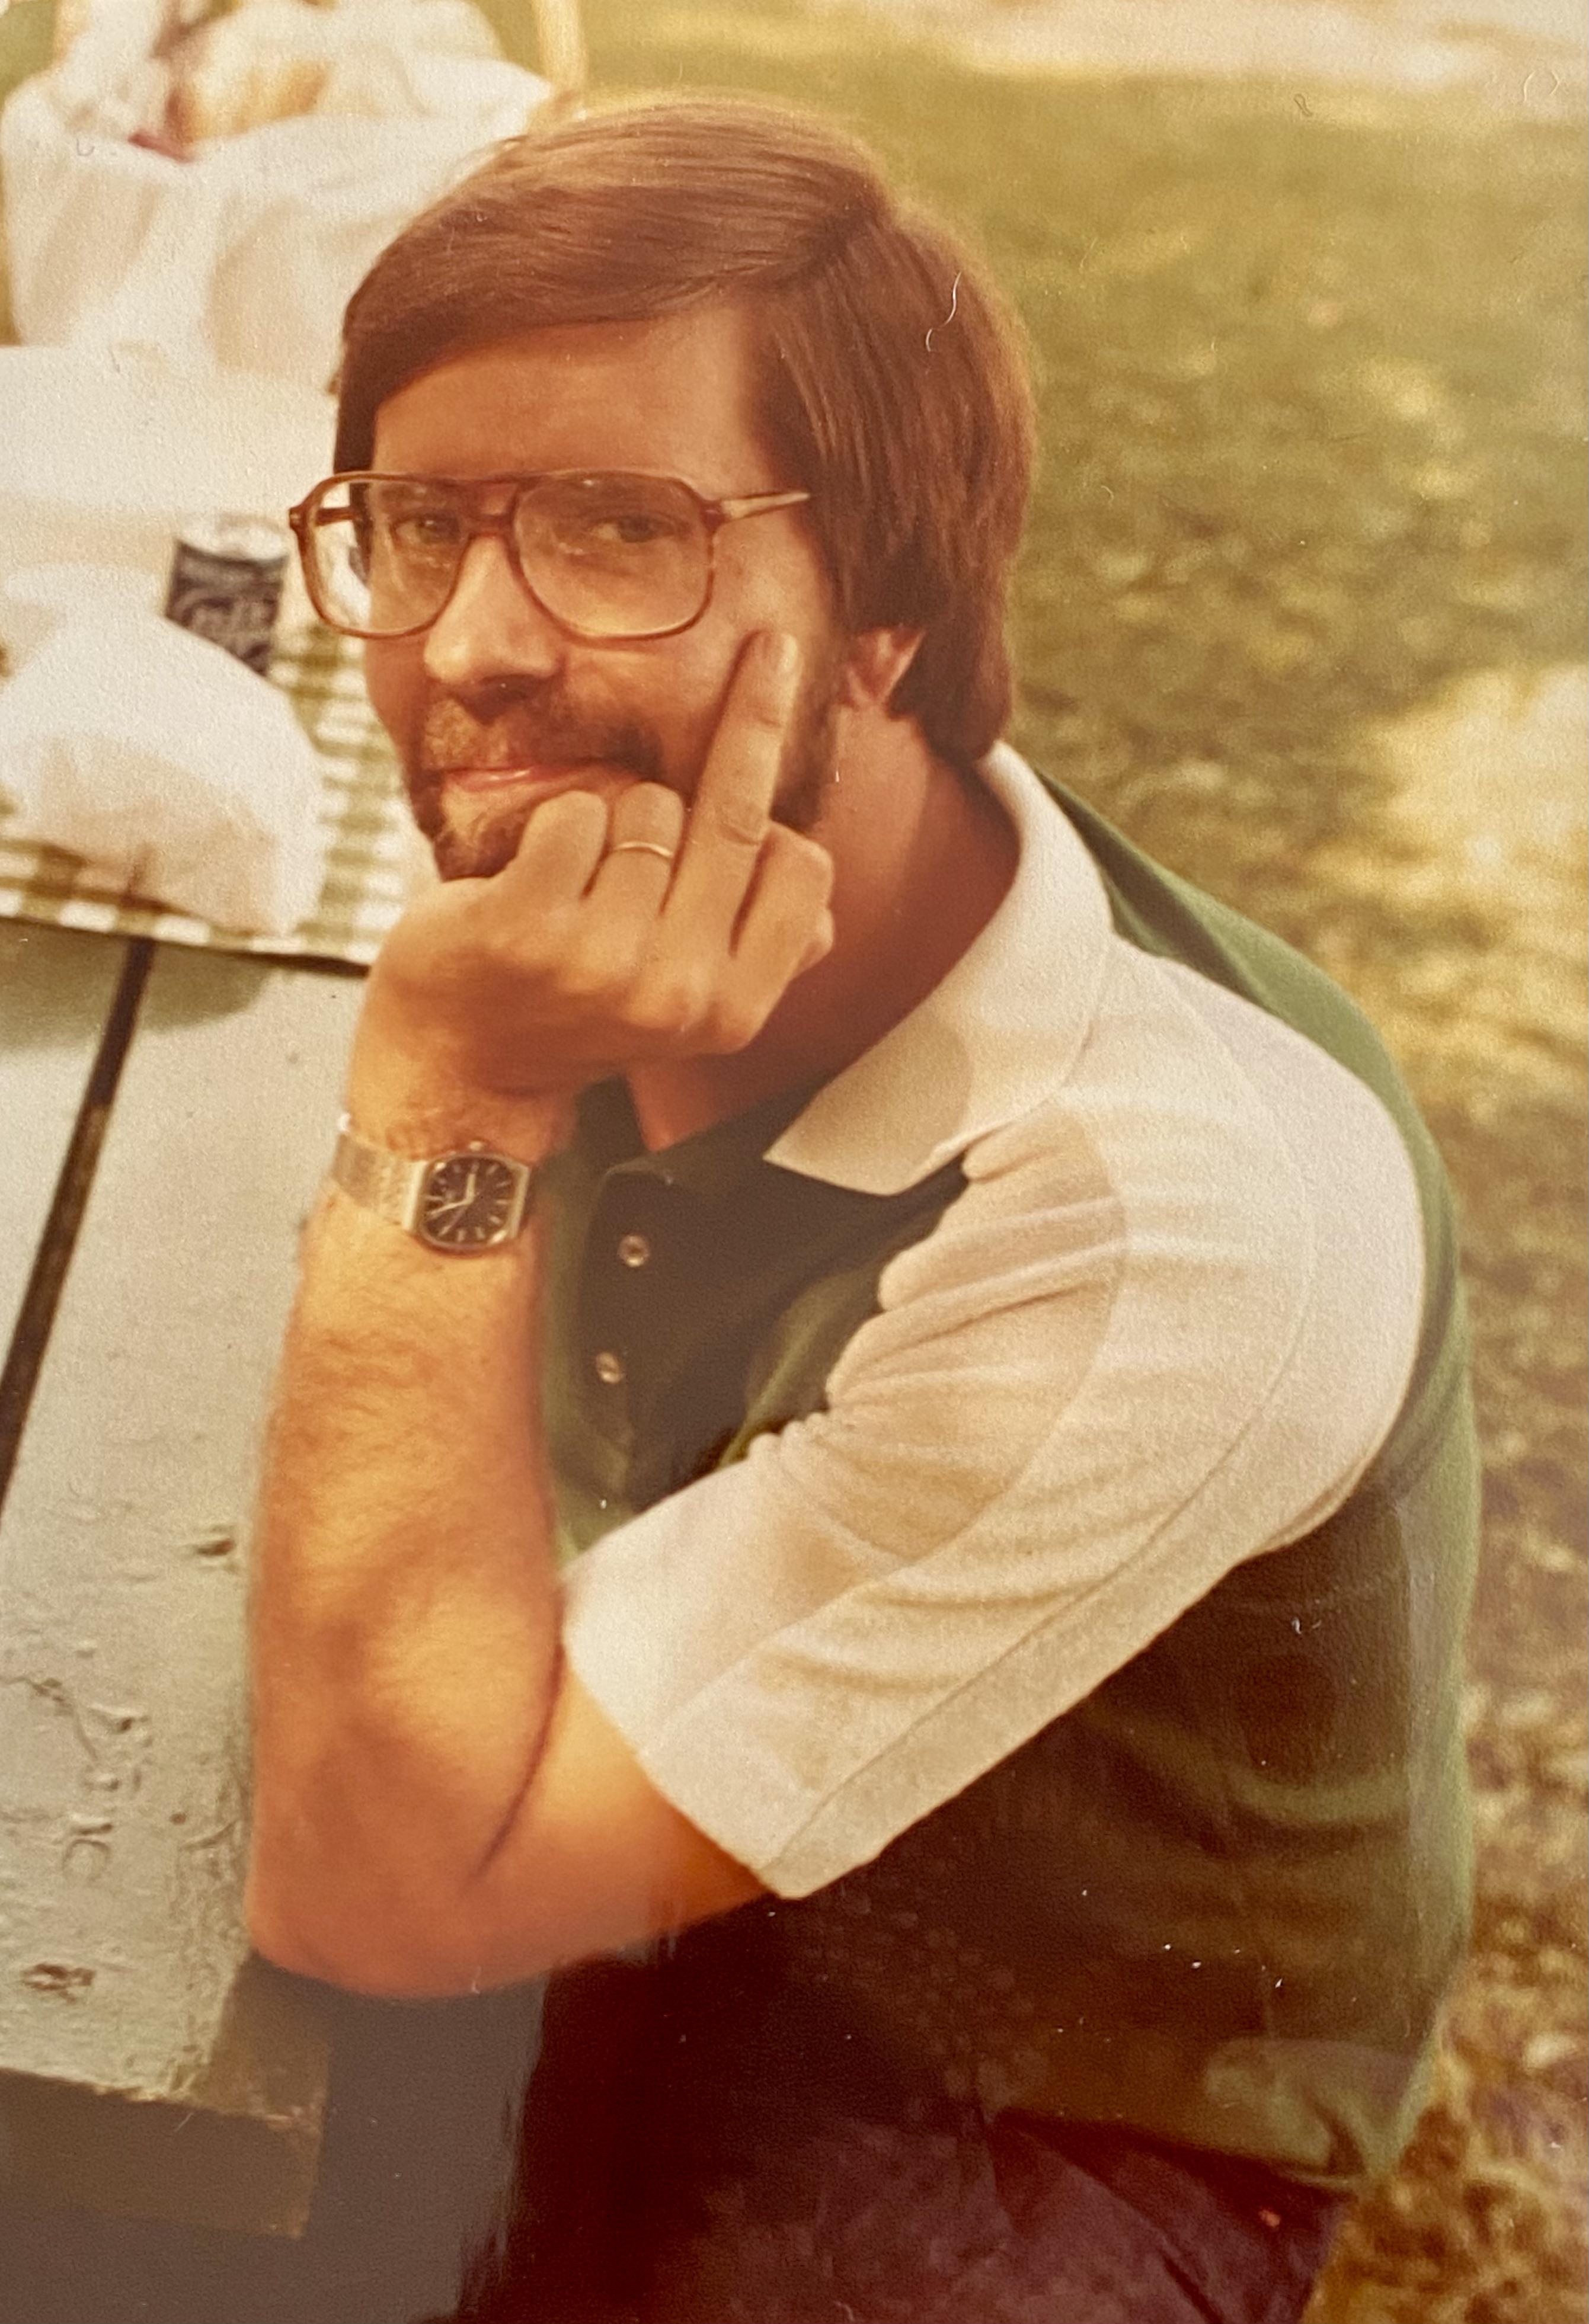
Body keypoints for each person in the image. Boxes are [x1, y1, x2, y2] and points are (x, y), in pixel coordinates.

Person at [247, 97, 1479, 2324]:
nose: (472, 645)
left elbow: (379, 1887)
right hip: (624, 1803)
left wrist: (449, 1090)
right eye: (421, 523)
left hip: (1030, 2107)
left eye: (622, 529)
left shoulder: (1173, 1212)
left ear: (892, 607)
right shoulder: (584, 873)